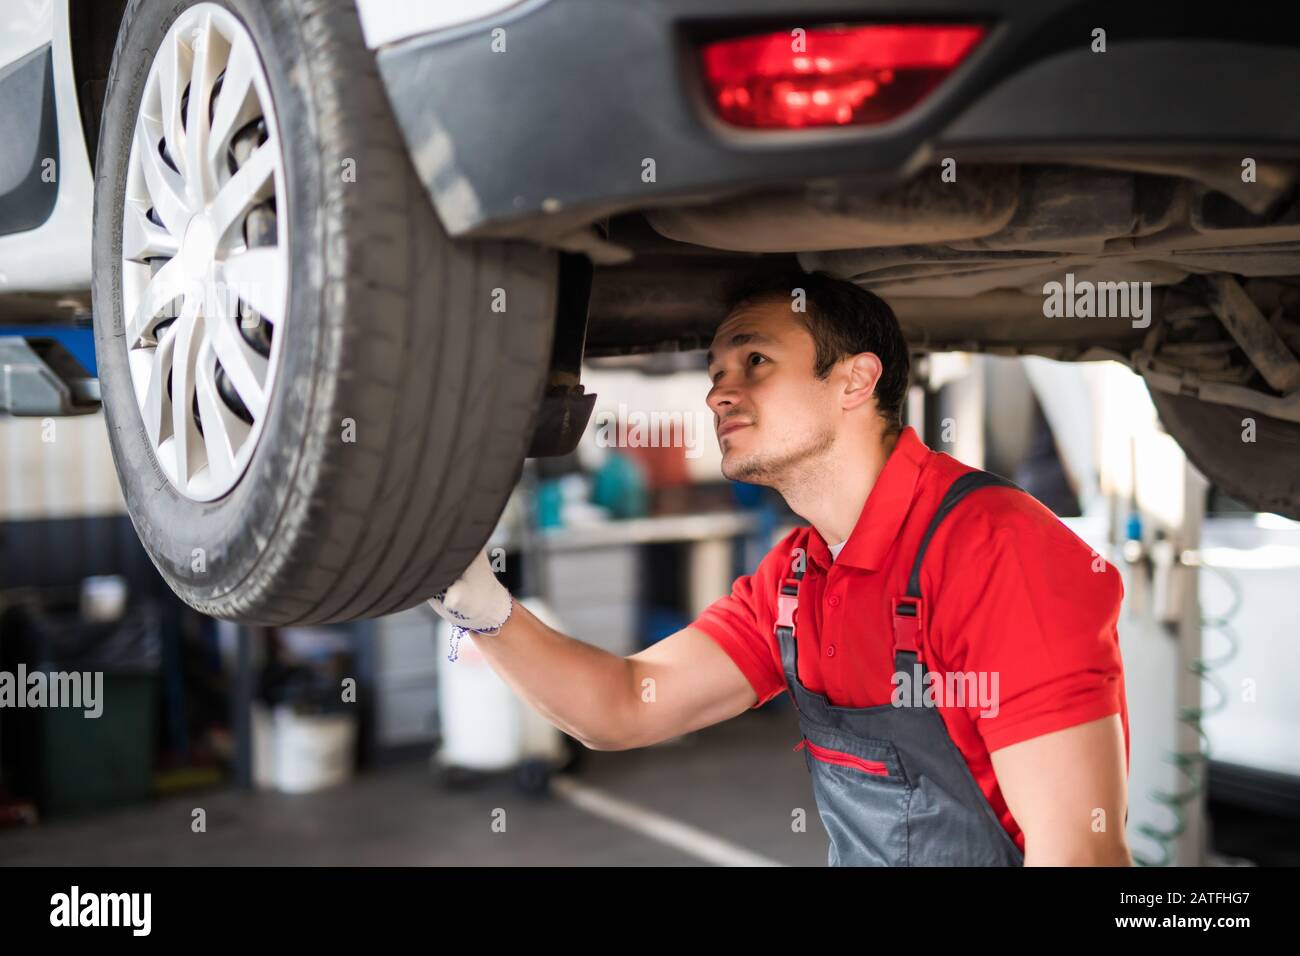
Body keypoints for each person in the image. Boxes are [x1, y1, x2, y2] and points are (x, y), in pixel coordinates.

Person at [429, 269, 1131, 867]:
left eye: (754, 362)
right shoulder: (797, 579)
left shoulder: (995, 550)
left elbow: (1078, 854)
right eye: (716, 375)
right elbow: (624, 704)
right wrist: (480, 607)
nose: (717, 394)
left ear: (855, 379)